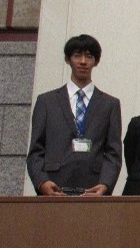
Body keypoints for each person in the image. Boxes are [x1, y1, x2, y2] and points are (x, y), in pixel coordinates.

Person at [26, 33, 122, 196]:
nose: (83, 61)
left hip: (92, 189)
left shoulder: (110, 104)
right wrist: (42, 182)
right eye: (77, 55)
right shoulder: (46, 102)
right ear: (67, 59)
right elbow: (36, 150)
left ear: (96, 61)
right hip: (54, 186)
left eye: (89, 56)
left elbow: (113, 152)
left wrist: (105, 184)